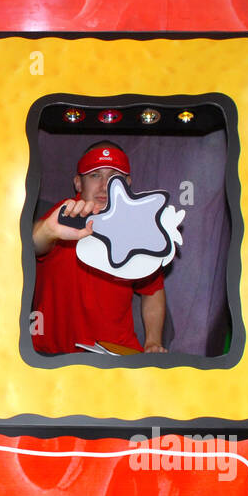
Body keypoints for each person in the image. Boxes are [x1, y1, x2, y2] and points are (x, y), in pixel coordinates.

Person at [30, 141, 167, 354]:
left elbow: (153, 290)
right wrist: (48, 231)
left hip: (116, 358)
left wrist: (152, 342)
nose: (105, 186)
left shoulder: (137, 230)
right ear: (78, 183)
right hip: (53, 358)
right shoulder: (65, 215)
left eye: (114, 177)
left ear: (127, 183)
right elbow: (31, 246)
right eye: (95, 175)